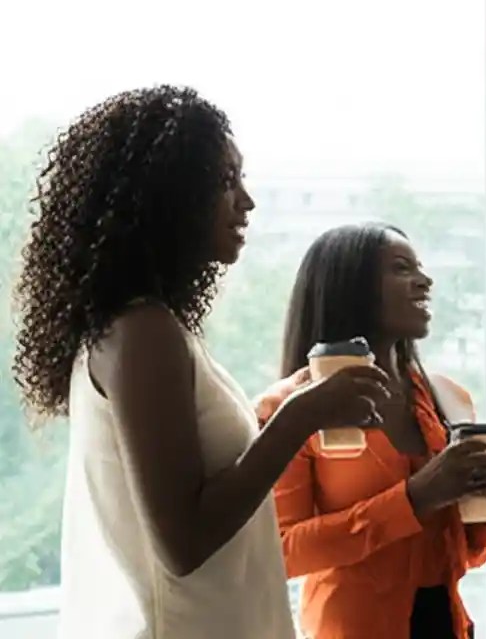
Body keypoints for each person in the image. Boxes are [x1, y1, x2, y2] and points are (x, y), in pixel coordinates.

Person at [10, 86, 391, 638]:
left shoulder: (147, 328)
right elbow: (182, 543)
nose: (246, 201)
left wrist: (299, 404)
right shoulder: (143, 332)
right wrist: (300, 417)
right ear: (168, 196)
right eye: (225, 180)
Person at [254, 222, 486, 639]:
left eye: (420, 268)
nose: (425, 280)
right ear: (349, 287)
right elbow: (281, 552)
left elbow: (455, 555)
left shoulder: (449, 399)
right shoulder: (290, 409)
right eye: (402, 268)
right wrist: (415, 498)